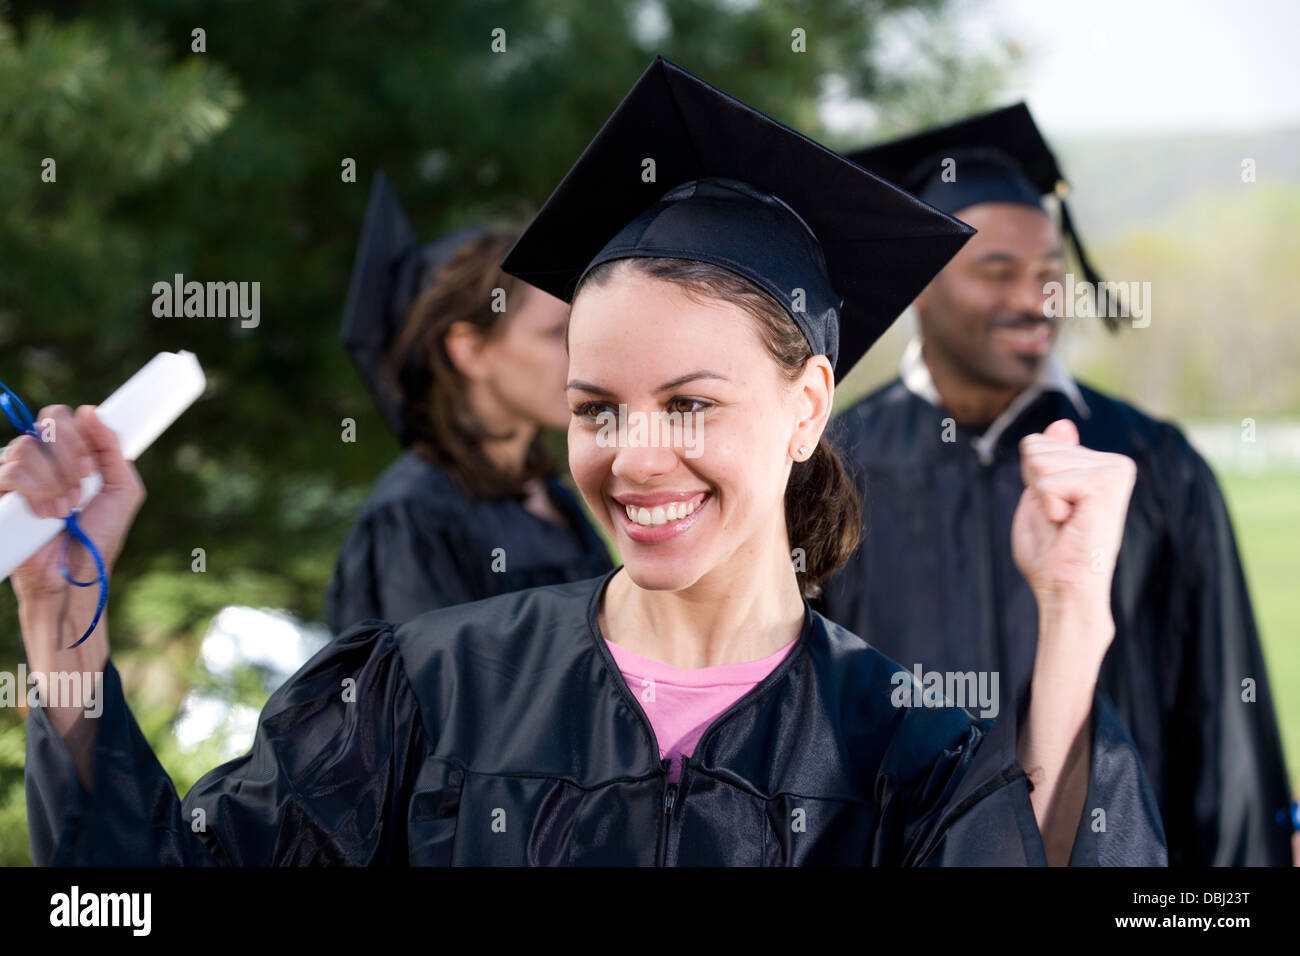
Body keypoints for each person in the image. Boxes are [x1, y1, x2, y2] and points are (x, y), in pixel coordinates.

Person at [12, 58, 1165, 866]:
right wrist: (63, 623)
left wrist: (1071, 620)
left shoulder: (902, 750)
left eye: (689, 401)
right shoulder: (425, 694)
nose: (633, 455)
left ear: (808, 403)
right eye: (596, 407)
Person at [821, 103, 1296, 866]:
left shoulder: (1154, 464)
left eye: (1050, 272)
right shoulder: (833, 466)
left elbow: (1224, 727)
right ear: (918, 285)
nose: (1035, 298)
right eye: (997, 271)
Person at [327, 173, 612, 632]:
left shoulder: (556, 497)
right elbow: (426, 695)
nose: (582, 351)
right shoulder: (413, 515)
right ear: (471, 350)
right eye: (555, 332)